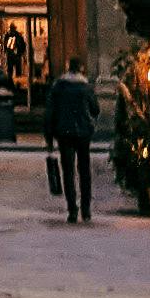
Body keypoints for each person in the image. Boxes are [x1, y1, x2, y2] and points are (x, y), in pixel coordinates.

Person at [44, 53, 97, 225]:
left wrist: (49, 137)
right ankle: (86, 209)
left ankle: (72, 210)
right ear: (81, 68)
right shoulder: (86, 87)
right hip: (83, 132)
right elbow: (95, 108)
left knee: (68, 171)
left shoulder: (58, 87)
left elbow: (50, 113)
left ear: (67, 68)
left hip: (64, 132)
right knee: (84, 171)